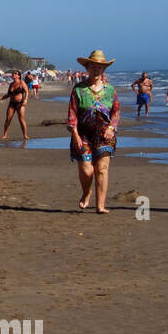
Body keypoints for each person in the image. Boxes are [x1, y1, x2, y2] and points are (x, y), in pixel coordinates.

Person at [67, 50, 120, 213]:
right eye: (94, 67)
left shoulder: (110, 90)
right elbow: (72, 114)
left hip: (105, 134)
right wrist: (74, 134)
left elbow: (116, 111)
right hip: (83, 134)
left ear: (104, 70)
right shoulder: (79, 89)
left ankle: (100, 205)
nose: (97, 70)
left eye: (100, 68)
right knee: (87, 169)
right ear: (88, 68)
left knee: (102, 169)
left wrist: (112, 128)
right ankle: (86, 192)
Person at [0, 70, 29, 141]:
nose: (14, 74)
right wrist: (0, 98)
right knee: (8, 119)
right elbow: (8, 94)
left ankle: (25, 135)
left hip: (20, 103)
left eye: (15, 74)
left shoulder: (22, 83)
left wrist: (25, 100)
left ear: (18, 76)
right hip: (12, 103)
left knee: (21, 119)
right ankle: (5, 135)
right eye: (13, 73)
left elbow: (26, 92)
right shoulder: (11, 84)